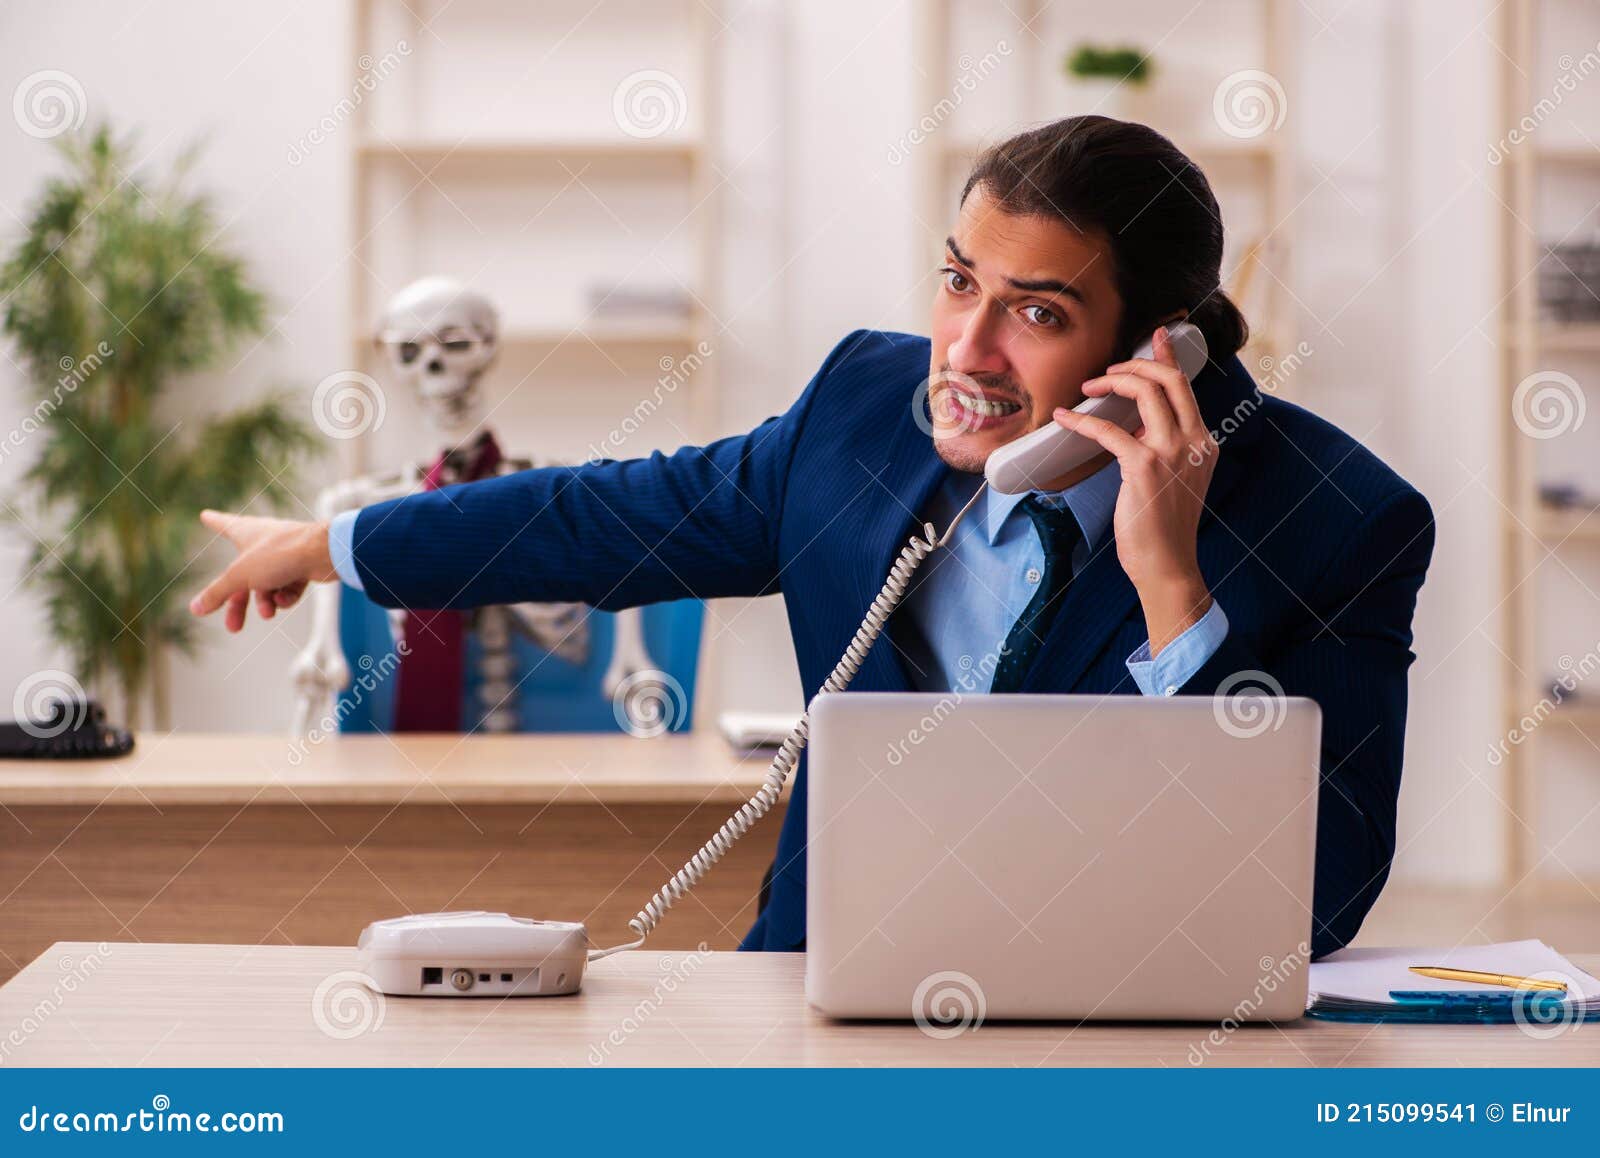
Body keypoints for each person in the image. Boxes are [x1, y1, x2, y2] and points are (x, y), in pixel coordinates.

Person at [190, 116, 1435, 958]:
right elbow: (608, 516)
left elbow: (1315, 897)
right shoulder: (861, 414)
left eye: (1034, 313)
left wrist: (1171, 589)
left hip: (1119, 1041)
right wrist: (331, 547)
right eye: (959, 284)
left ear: (1153, 346)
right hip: (824, 990)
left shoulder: (1336, 520)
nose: (967, 352)